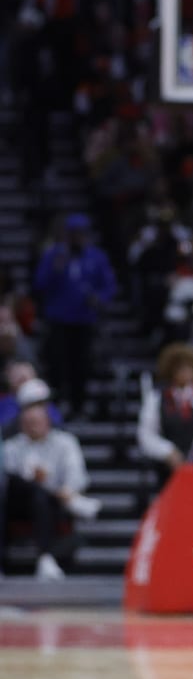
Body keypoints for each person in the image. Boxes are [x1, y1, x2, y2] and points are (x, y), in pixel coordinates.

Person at [2, 379, 98, 578]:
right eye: (29, 413)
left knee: (41, 495)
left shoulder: (66, 443)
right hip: (16, 506)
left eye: (40, 410)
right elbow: (9, 481)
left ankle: (46, 558)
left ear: (48, 417)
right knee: (24, 489)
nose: (34, 420)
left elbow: (77, 477)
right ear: (21, 419)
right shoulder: (11, 446)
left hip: (55, 504)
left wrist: (65, 488)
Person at [32, 213, 115, 419]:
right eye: (73, 234)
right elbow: (39, 284)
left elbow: (109, 286)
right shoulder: (53, 255)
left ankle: (79, 405)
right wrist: (55, 270)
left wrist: (100, 299)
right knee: (58, 363)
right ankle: (58, 404)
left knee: (82, 363)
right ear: (67, 235)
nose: (77, 237)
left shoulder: (96, 257)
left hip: (84, 320)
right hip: (58, 319)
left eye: (81, 233)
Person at [136, 342, 193, 486]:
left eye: (190, 368)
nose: (186, 373)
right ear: (171, 370)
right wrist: (168, 452)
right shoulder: (157, 398)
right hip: (168, 467)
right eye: (181, 368)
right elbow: (145, 433)